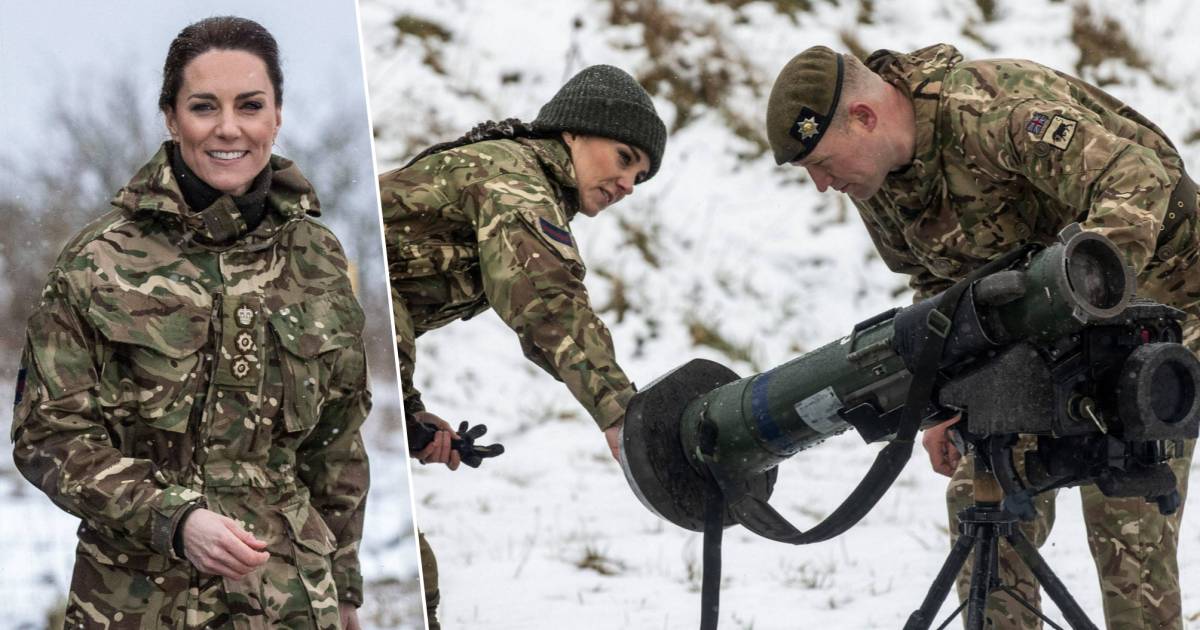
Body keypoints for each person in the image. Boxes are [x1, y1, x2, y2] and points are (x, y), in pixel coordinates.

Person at [765, 44, 1197, 629]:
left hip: (1162, 301)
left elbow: (1141, 179)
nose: (821, 184)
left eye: (820, 161)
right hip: (1046, 330)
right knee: (983, 499)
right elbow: (938, 283)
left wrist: (1086, 289)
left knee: (1123, 512)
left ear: (864, 118)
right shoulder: (876, 181)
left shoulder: (992, 113)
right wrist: (946, 398)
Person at [11, 16, 370, 629]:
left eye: (250, 105)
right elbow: (48, 438)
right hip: (139, 601)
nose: (229, 128)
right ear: (172, 118)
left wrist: (344, 593)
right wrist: (174, 519)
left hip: (288, 600)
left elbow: (336, 445)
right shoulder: (99, 261)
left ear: (277, 115)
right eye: (204, 106)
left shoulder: (318, 258)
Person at [379, 64, 666, 628]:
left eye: (641, 176)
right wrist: (618, 411)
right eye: (625, 158)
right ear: (576, 132)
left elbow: (388, 294)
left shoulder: (515, 173)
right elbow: (545, 302)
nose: (628, 186)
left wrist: (410, 416)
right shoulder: (516, 178)